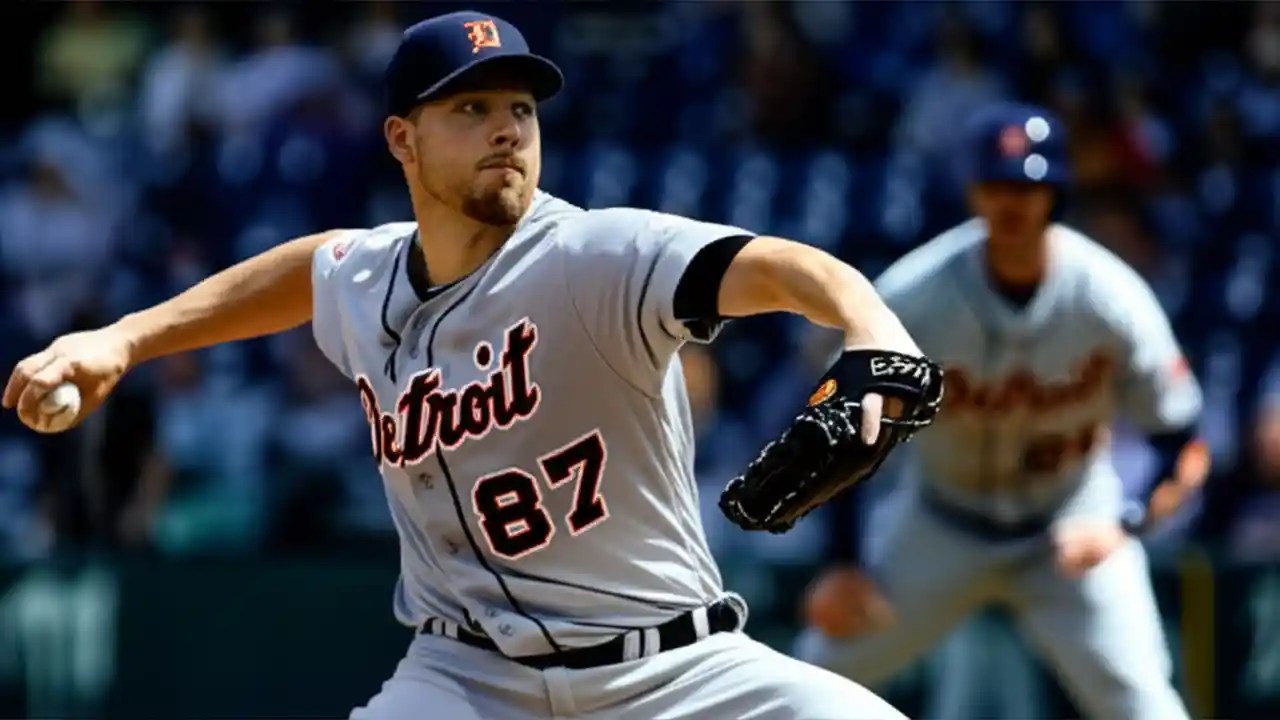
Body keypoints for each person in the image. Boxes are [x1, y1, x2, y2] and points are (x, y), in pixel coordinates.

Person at [4, 11, 921, 720]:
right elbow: (306, 268)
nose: (506, 131)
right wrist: (122, 339)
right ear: (403, 139)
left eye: (520, 108)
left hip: (672, 672)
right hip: (467, 677)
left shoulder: (593, 256)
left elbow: (779, 266)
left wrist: (871, 325)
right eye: (471, 108)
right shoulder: (366, 276)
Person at [794, 102, 1209, 720]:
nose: (1012, 202)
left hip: (1069, 525)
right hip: (938, 527)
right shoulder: (918, 293)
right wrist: (842, 562)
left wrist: (1122, 523)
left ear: (1057, 193)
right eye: (997, 184)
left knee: (1145, 705)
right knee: (809, 679)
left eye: (1029, 185)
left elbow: (1183, 444)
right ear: (972, 191)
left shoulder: (1110, 298)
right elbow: (844, 426)